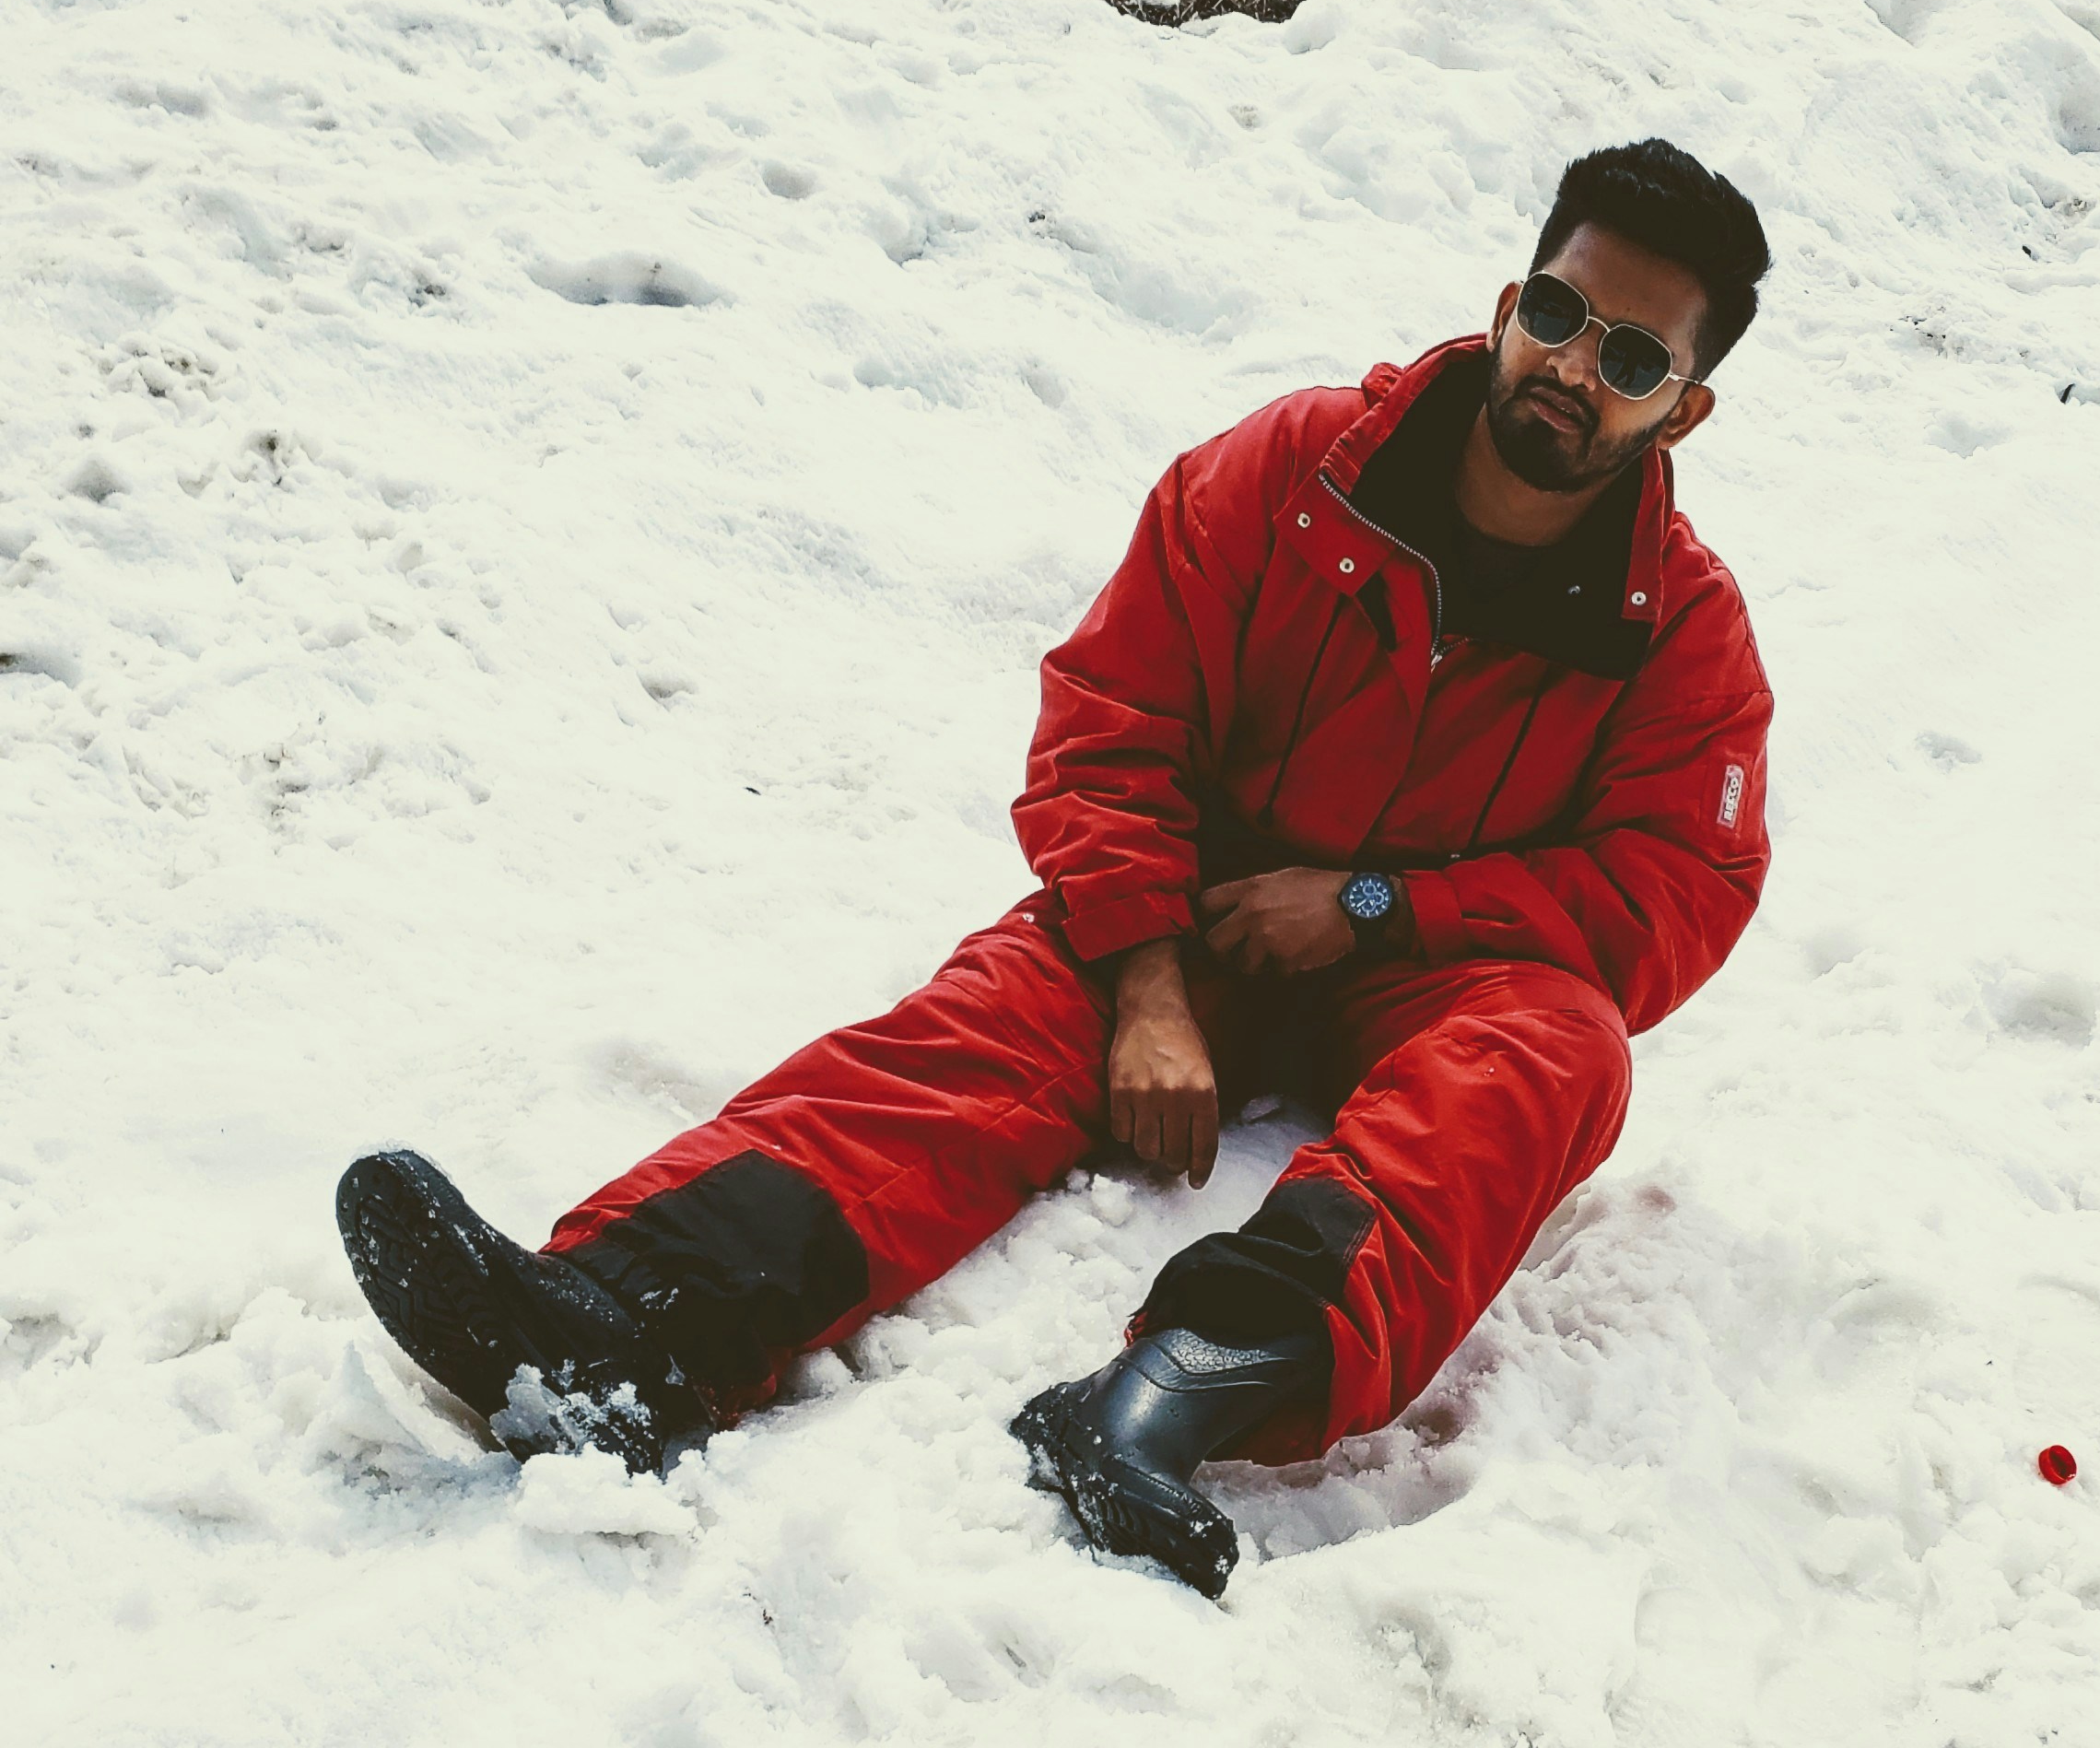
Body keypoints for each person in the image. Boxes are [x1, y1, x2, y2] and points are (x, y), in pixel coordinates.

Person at [338, 137, 1776, 1600]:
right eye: (1557, 313)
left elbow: (1676, 892)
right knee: (984, 1030)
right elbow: (1116, 715)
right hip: (1194, 902)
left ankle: (1165, 1403)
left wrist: (1373, 908)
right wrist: (1148, 980)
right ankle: (617, 1326)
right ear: (1505, 303)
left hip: (1432, 968)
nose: (1573, 365)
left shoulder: (1687, 634)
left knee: (1557, 1049)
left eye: (1635, 355)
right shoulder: (1294, 472)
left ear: (1687, 407)